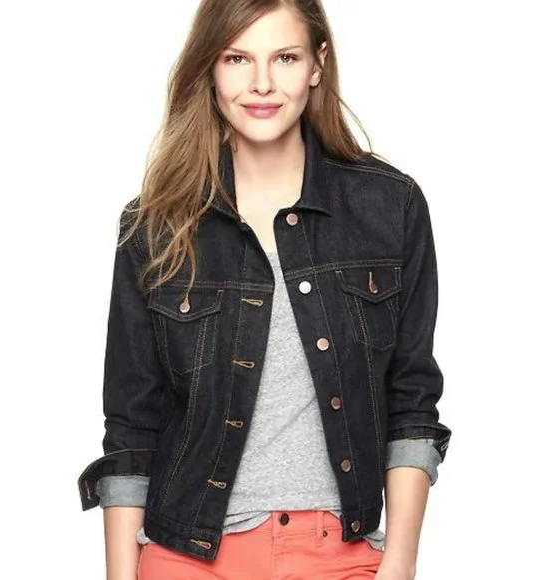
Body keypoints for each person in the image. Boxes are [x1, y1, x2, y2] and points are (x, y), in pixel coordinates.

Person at [77, 1, 452, 578]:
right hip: (186, 558)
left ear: (317, 65)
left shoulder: (389, 207)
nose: (261, 83)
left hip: (338, 552)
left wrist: (399, 563)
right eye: (237, 58)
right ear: (210, 67)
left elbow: (411, 399)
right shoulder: (154, 226)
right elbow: (131, 422)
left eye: (284, 58)